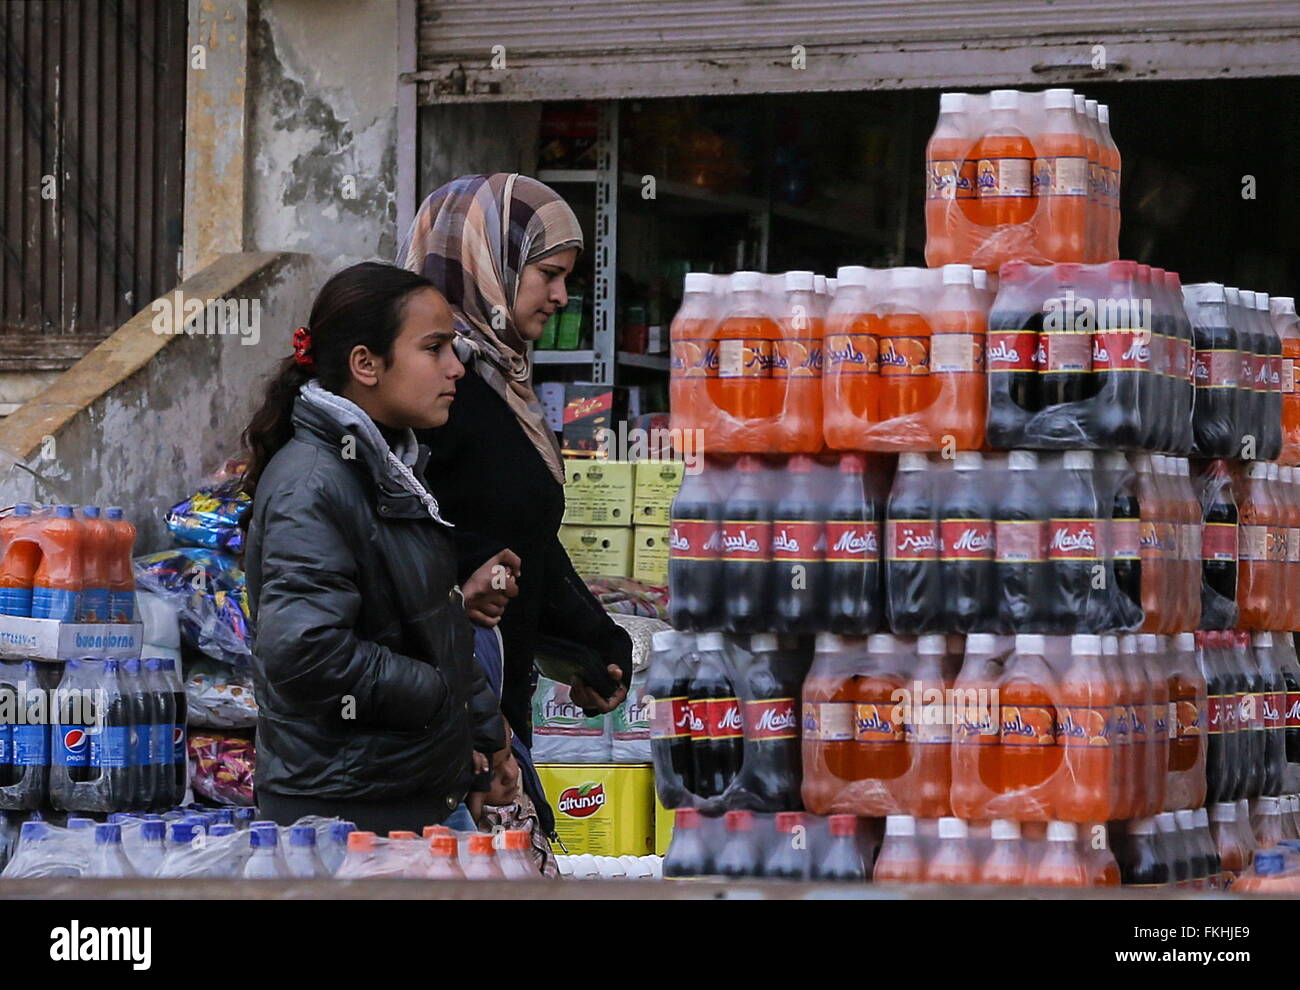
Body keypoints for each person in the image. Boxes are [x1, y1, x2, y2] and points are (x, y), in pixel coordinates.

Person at [240, 262, 507, 834]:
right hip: (345, 820)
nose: (455, 368)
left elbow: (434, 618)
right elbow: (305, 653)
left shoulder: (388, 467)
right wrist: (440, 698)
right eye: (433, 348)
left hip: (409, 800)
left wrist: (487, 736)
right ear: (366, 364)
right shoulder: (313, 483)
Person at [397, 173, 632, 751]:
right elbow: (389, 537)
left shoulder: (501, 384)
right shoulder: (422, 397)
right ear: (487, 263)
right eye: (547, 275)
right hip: (435, 724)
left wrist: (593, 645)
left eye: (566, 279)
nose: (560, 298)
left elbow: (522, 542)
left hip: (491, 708)